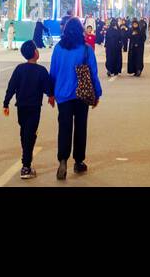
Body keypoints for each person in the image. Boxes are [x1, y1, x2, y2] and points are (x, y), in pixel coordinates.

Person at [49, 16, 102, 179]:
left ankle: (63, 160)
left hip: (63, 96)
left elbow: (53, 72)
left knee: (64, 128)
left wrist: (50, 93)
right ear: (81, 31)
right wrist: (97, 94)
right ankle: (78, 162)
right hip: (81, 95)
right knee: (80, 127)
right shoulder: (86, 49)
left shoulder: (58, 49)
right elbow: (93, 73)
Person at [2, 39, 55, 180]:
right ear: (35, 53)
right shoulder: (41, 71)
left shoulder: (19, 69)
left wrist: (6, 103)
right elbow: (48, 88)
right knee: (30, 134)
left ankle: (26, 159)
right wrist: (51, 96)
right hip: (34, 107)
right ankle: (26, 166)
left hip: (21, 107)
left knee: (24, 131)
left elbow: (11, 86)